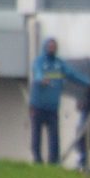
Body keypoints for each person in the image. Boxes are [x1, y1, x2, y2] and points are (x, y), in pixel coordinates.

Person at [29, 37, 73, 165]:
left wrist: (88, 83)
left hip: (52, 108)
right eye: (50, 46)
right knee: (36, 134)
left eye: (54, 46)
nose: (52, 48)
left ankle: (53, 160)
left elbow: (72, 74)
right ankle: (37, 158)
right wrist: (41, 79)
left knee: (54, 136)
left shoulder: (59, 64)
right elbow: (37, 72)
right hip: (37, 106)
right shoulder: (39, 61)